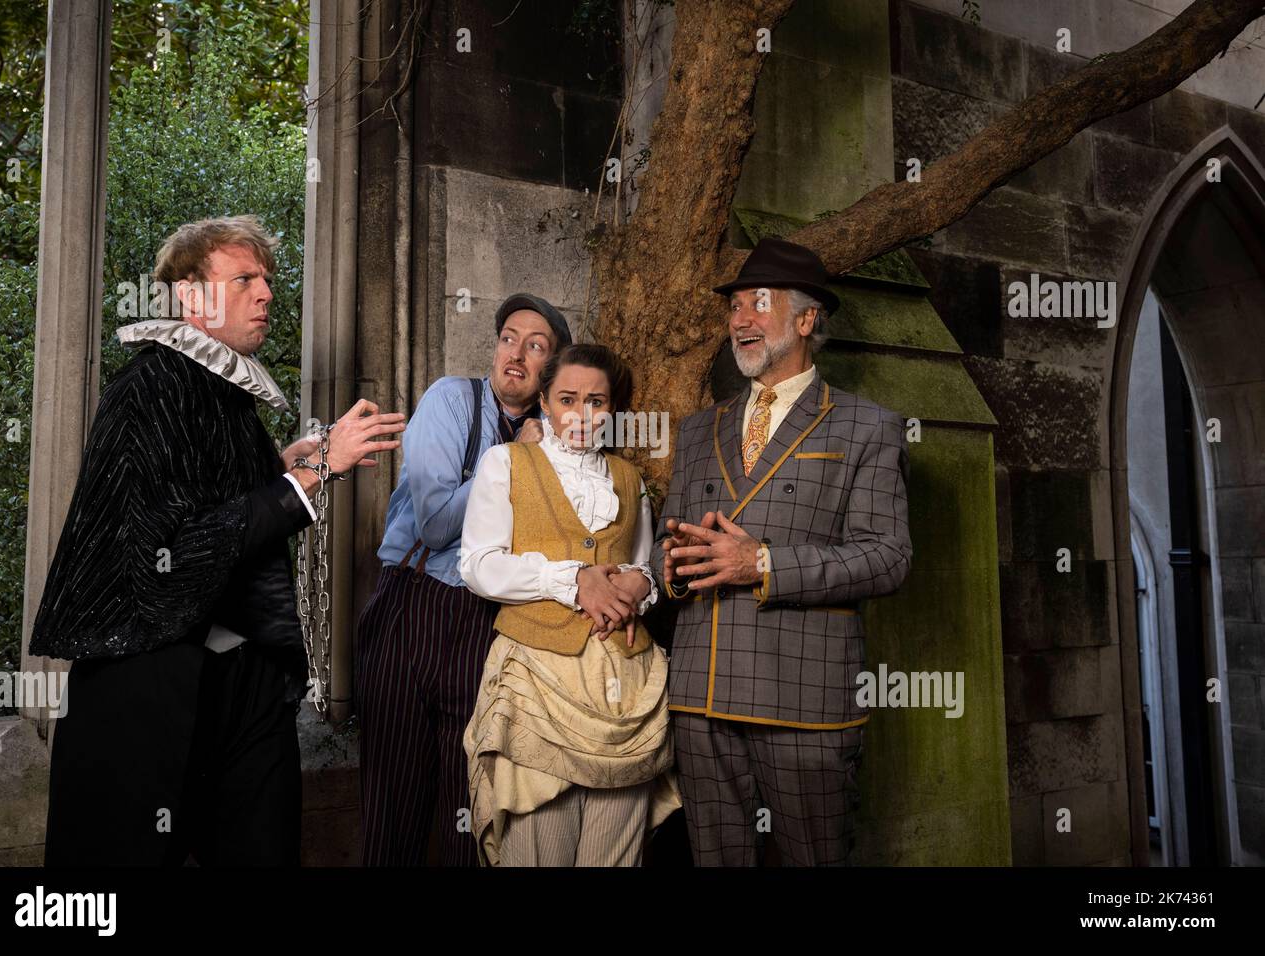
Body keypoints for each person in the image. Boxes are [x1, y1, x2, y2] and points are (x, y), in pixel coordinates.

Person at [30, 215, 405, 866]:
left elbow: (208, 503)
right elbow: (167, 555)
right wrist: (312, 474)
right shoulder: (150, 387)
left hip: (243, 682)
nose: (266, 293)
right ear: (190, 296)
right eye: (244, 280)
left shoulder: (221, 390)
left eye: (267, 279)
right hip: (148, 681)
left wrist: (282, 466)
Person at [656, 237, 912, 866]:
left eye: (759, 303)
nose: (740, 319)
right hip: (701, 697)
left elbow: (888, 556)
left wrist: (761, 563)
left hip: (803, 700)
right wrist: (675, 568)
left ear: (805, 319)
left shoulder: (867, 426)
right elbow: (670, 543)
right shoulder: (699, 429)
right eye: (735, 306)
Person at [354, 293, 571, 866]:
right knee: (393, 810)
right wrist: (511, 457)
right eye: (508, 339)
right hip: (413, 607)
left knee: (469, 811)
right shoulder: (451, 400)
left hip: (487, 625)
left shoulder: (558, 438)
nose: (515, 354)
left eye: (535, 346)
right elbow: (435, 524)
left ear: (551, 368)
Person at [458, 343, 679, 866]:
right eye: (568, 399)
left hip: (624, 692)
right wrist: (574, 579)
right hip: (538, 684)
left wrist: (641, 586)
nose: (582, 413)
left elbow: (641, 568)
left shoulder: (629, 479)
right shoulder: (506, 463)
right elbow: (478, 565)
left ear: (612, 409)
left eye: (596, 401)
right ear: (544, 402)